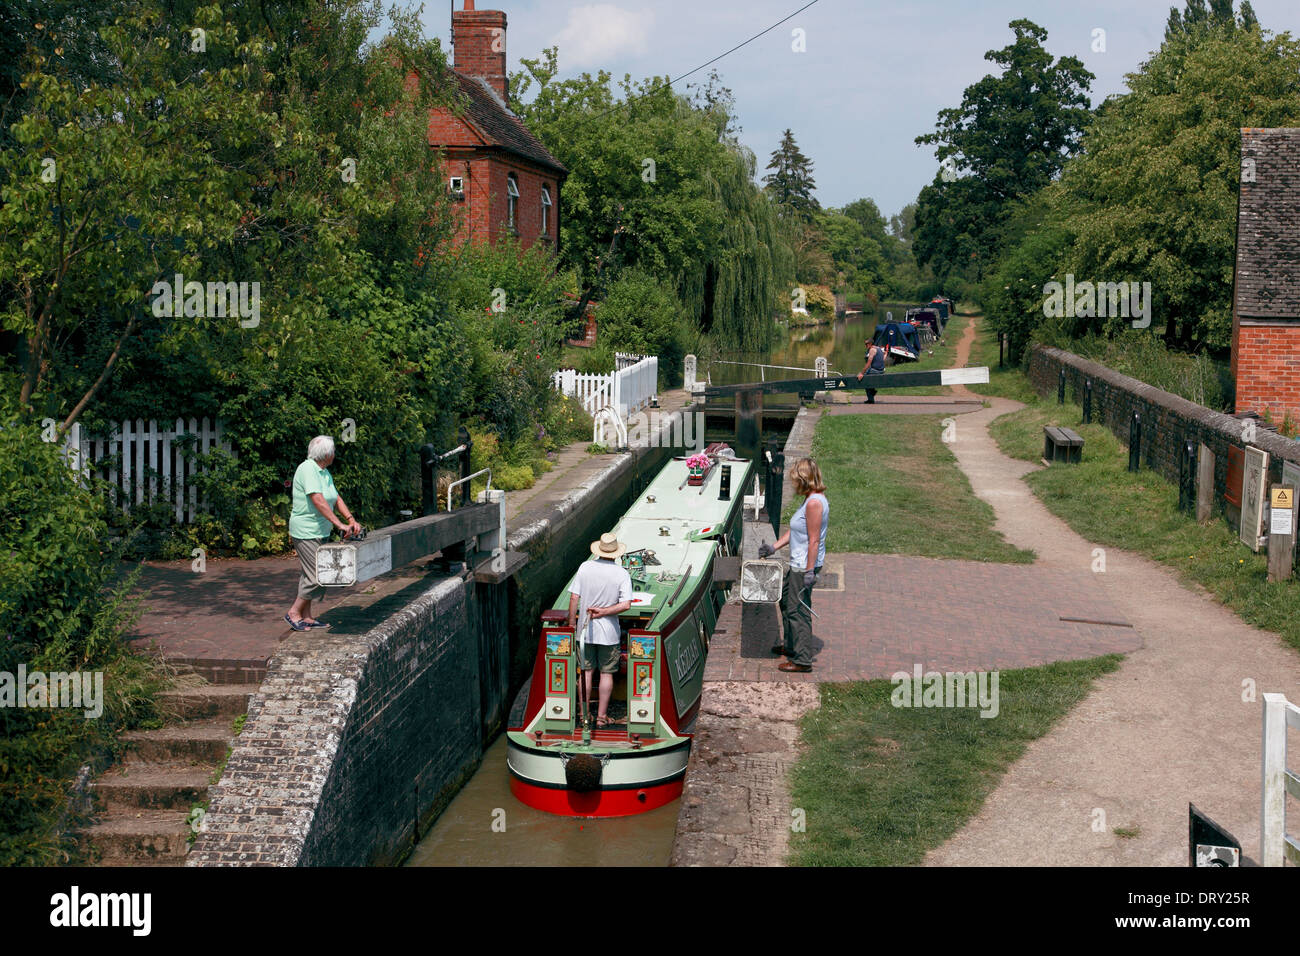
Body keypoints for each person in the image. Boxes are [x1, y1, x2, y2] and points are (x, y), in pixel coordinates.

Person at [758, 458, 828, 673]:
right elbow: (796, 530)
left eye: (796, 480)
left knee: (798, 611)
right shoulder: (809, 499)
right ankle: (791, 646)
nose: (794, 484)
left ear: (804, 480)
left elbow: (813, 539)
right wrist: (774, 547)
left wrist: (809, 571)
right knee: (786, 603)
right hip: (797, 563)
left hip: (803, 566)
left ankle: (803, 660)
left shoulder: (815, 503)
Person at [285, 435, 361, 631]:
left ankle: (307, 616)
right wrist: (339, 524)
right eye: (333, 451)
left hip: (320, 530)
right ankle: (293, 613)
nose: (335, 454)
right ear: (327, 454)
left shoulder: (324, 472)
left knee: (310, 573)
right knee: (318, 574)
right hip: (306, 531)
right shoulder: (307, 469)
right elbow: (317, 499)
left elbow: (335, 498)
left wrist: (350, 520)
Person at [567, 533, 633, 727]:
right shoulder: (622, 573)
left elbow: (573, 598)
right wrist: (605, 611)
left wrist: (572, 624)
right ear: (616, 554)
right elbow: (626, 604)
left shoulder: (585, 567)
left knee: (585, 672)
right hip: (609, 633)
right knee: (606, 674)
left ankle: (583, 715)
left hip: (585, 631)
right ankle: (602, 717)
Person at [856, 339, 886, 403]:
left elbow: (868, 363)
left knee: (864, 379)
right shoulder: (878, 348)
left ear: (870, 344)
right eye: (865, 344)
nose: (865, 345)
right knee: (866, 376)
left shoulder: (872, 350)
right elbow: (883, 359)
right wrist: (885, 354)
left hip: (876, 371)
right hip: (881, 370)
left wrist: (861, 373)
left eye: (866, 344)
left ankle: (871, 397)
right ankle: (872, 393)